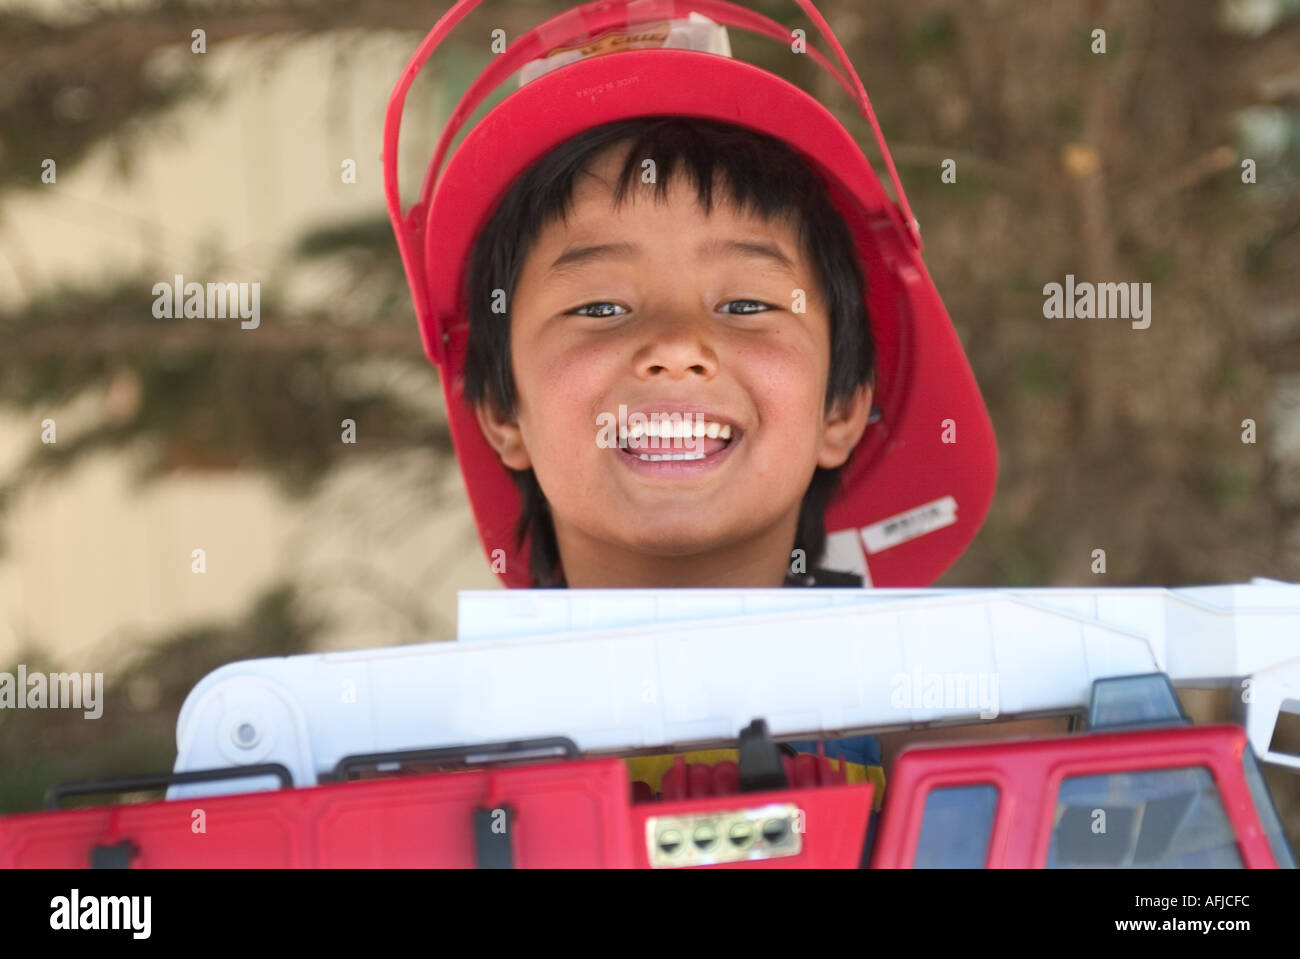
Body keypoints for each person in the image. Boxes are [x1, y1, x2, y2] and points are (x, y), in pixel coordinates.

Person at [384, 4, 1009, 802]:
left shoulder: (972, 751)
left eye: (748, 305)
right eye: (600, 307)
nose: (676, 346)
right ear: (504, 414)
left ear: (842, 406)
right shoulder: (408, 772)